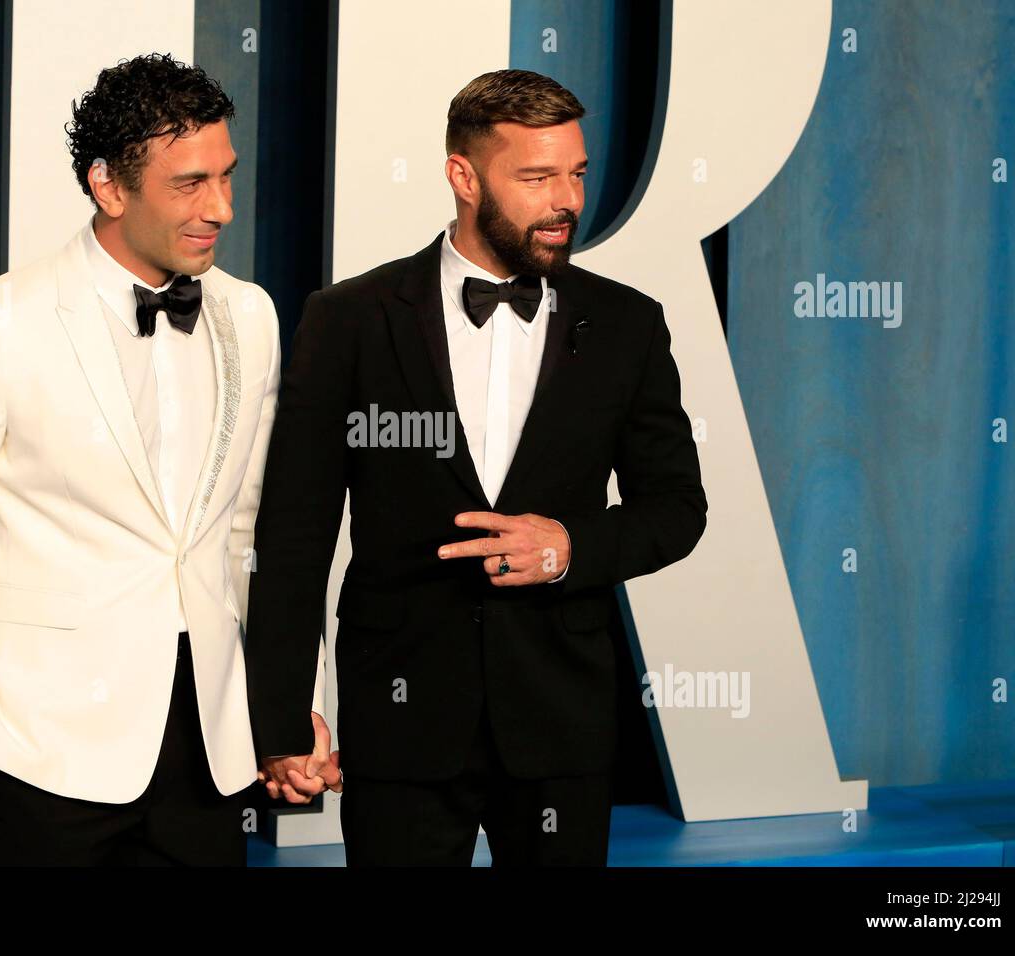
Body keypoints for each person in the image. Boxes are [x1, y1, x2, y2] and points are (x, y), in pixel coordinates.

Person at [0, 53, 333, 866]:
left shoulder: (250, 315)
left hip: (208, 761)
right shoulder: (0, 323)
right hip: (37, 756)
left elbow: (246, 538)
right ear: (109, 187)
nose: (221, 207)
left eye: (227, 177)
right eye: (190, 184)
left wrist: (285, 706)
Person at [245, 69, 706, 866]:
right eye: (537, 177)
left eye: (577, 174)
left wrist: (566, 546)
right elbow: (294, 534)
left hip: (563, 720)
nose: (566, 199)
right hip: (401, 722)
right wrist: (283, 717)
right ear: (463, 176)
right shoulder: (348, 319)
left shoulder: (628, 323)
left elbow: (676, 507)